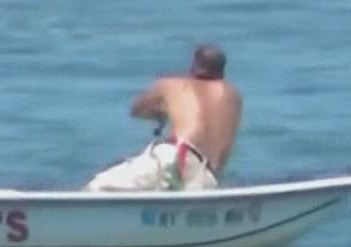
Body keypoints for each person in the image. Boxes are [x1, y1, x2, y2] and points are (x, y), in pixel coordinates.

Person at [84, 43, 242, 192]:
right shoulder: (233, 96)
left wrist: (162, 112)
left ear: (194, 66)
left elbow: (138, 110)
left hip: (176, 156)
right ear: (223, 71)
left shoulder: (172, 85)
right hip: (205, 175)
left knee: (97, 187)